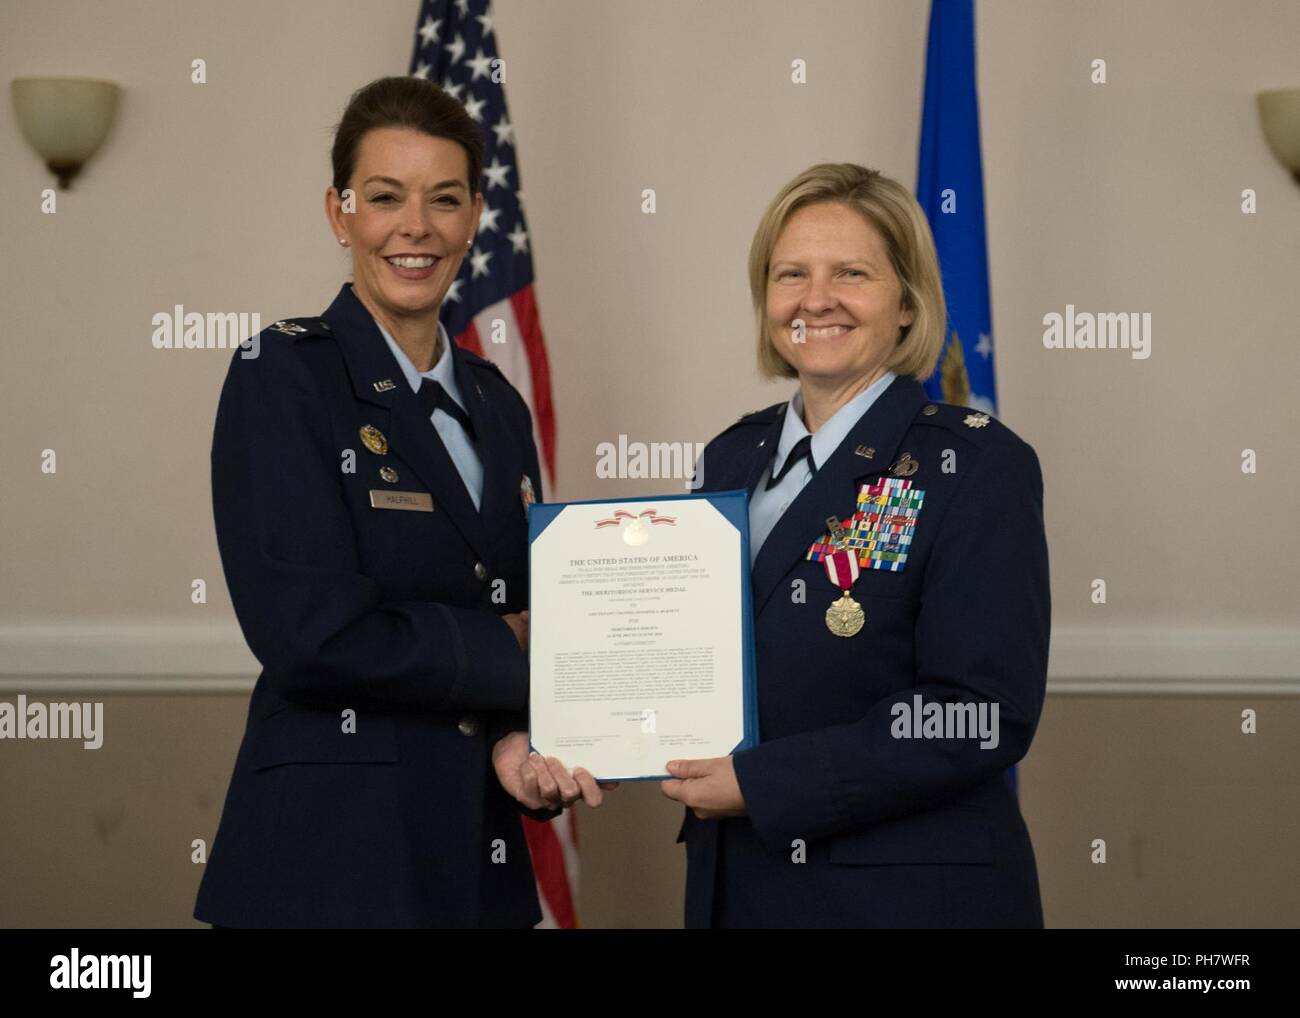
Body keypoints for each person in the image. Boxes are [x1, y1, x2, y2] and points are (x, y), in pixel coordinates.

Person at [194, 77, 603, 929]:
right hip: (329, 860)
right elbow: (311, 634)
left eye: (444, 200)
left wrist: (517, 739)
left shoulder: (498, 403)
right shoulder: (284, 375)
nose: (415, 227)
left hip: (473, 859)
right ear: (340, 214)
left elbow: (513, 606)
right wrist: (509, 646)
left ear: (476, 218)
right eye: (385, 197)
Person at [662, 163, 1050, 928]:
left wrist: (768, 784)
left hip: (902, 899)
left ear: (907, 304)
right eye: (791, 274)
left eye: (852, 274)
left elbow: (978, 712)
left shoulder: (976, 464)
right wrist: (590, 735)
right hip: (736, 887)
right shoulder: (728, 461)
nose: (816, 299)